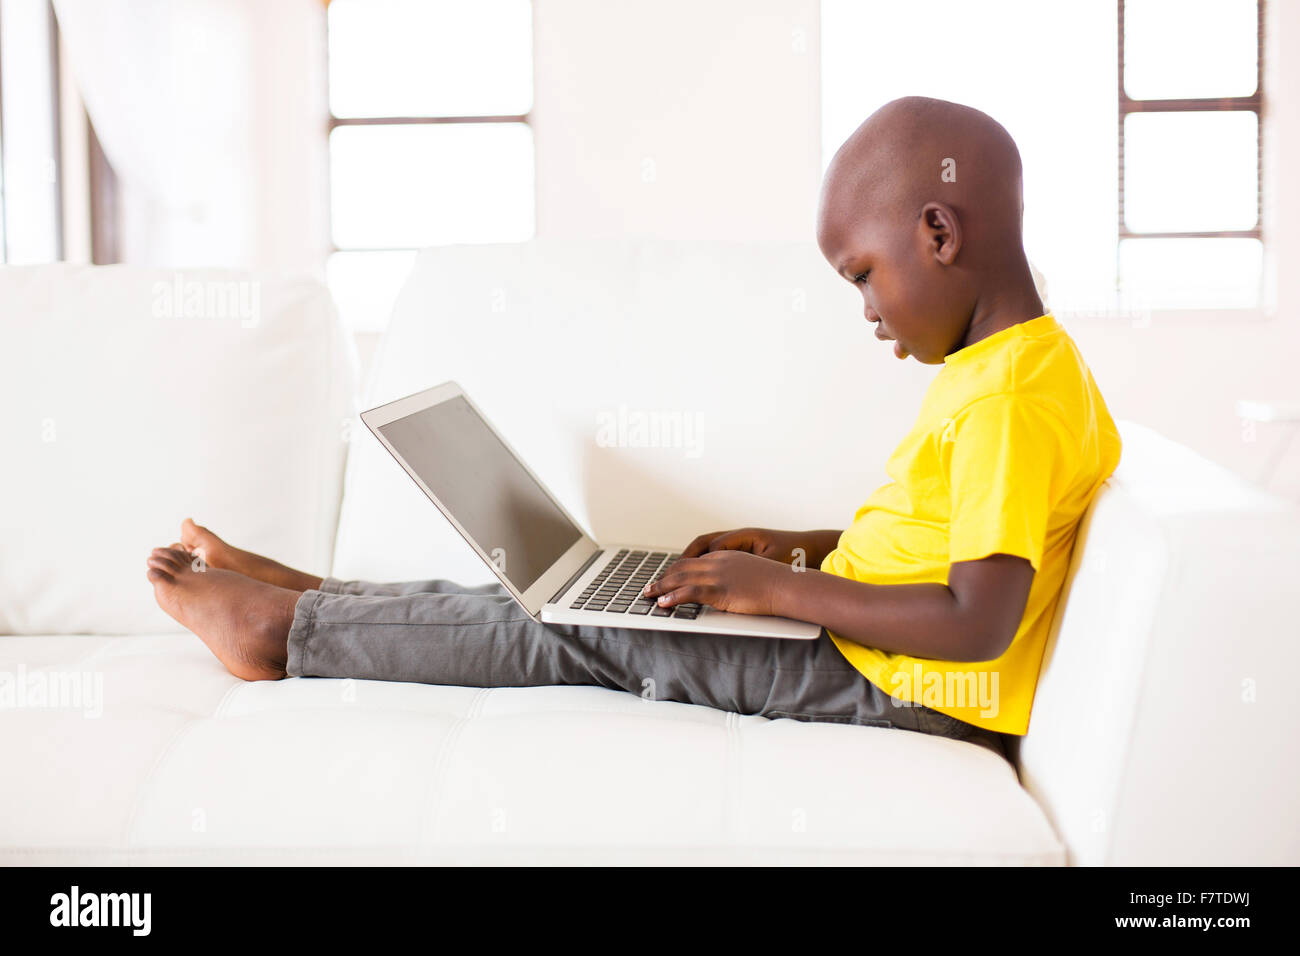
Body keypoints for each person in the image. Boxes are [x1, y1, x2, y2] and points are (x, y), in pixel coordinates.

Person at [146, 96, 1121, 757]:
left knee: (574, 631)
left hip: (904, 689)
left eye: (863, 273)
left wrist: (782, 586)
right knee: (572, 590)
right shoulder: (1019, 367)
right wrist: (798, 548)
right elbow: (954, 542)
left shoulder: (1005, 400)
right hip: (871, 646)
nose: (865, 306)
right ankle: (329, 597)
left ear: (939, 236)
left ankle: (289, 632)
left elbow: (977, 619)